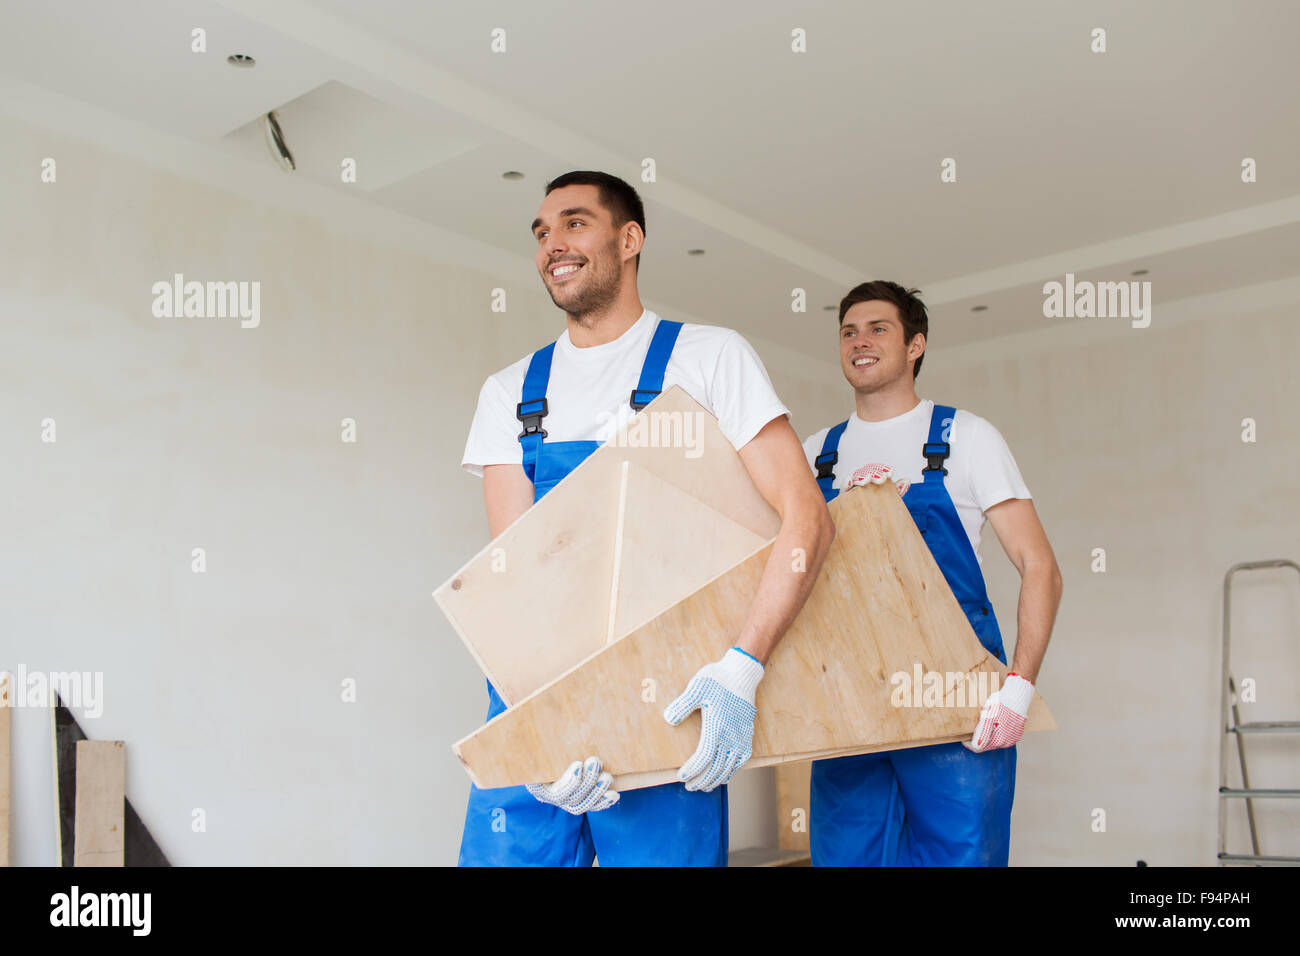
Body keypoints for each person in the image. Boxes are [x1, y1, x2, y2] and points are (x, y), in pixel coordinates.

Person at [457, 171, 835, 866]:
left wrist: (742, 669)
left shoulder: (710, 359)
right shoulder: (509, 393)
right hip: (536, 702)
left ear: (629, 240)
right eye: (541, 232)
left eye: (573, 223)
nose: (551, 243)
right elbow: (510, 578)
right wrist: (539, 737)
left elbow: (808, 521)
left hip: (671, 701)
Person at [802, 280, 1062, 866]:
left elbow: (1040, 566)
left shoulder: (965, 438)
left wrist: (1020, 684)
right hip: (849, 703)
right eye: (848, 331)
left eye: (878, 329)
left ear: (915, 345)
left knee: (960, 856)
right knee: (845, 857)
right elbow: (787, 570)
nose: (859, 341)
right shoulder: (818, 453)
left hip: (955, 695)